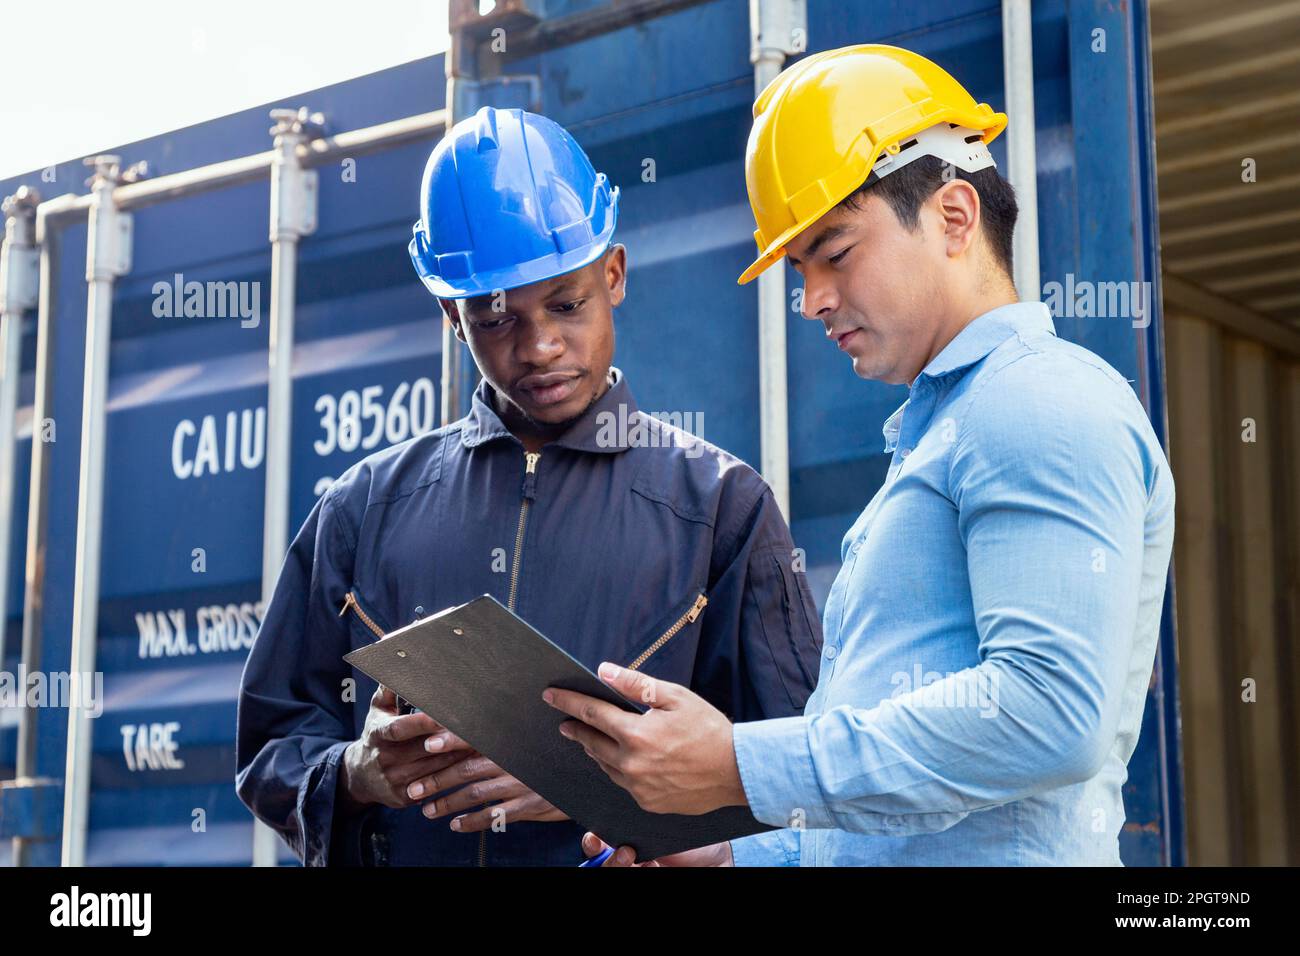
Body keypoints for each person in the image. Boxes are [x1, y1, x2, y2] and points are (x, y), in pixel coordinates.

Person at [551, 44, 1176, 867]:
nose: (811, 300)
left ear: (955, 217)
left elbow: (1050, 711)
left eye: (835, 253)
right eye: (800, 269)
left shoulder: (1040, 401)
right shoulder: (948, 432)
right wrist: (729, 860)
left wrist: (737, 764)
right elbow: (906, 825)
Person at [235, 106, 822, 866]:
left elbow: (801, 783)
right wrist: (357, 771)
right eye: (498, 319)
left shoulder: (721, 509)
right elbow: (269, 750)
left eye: (567, 305)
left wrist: (605, 784)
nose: (540, 346)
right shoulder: (361, 509)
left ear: (612, 275)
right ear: (454, 315)